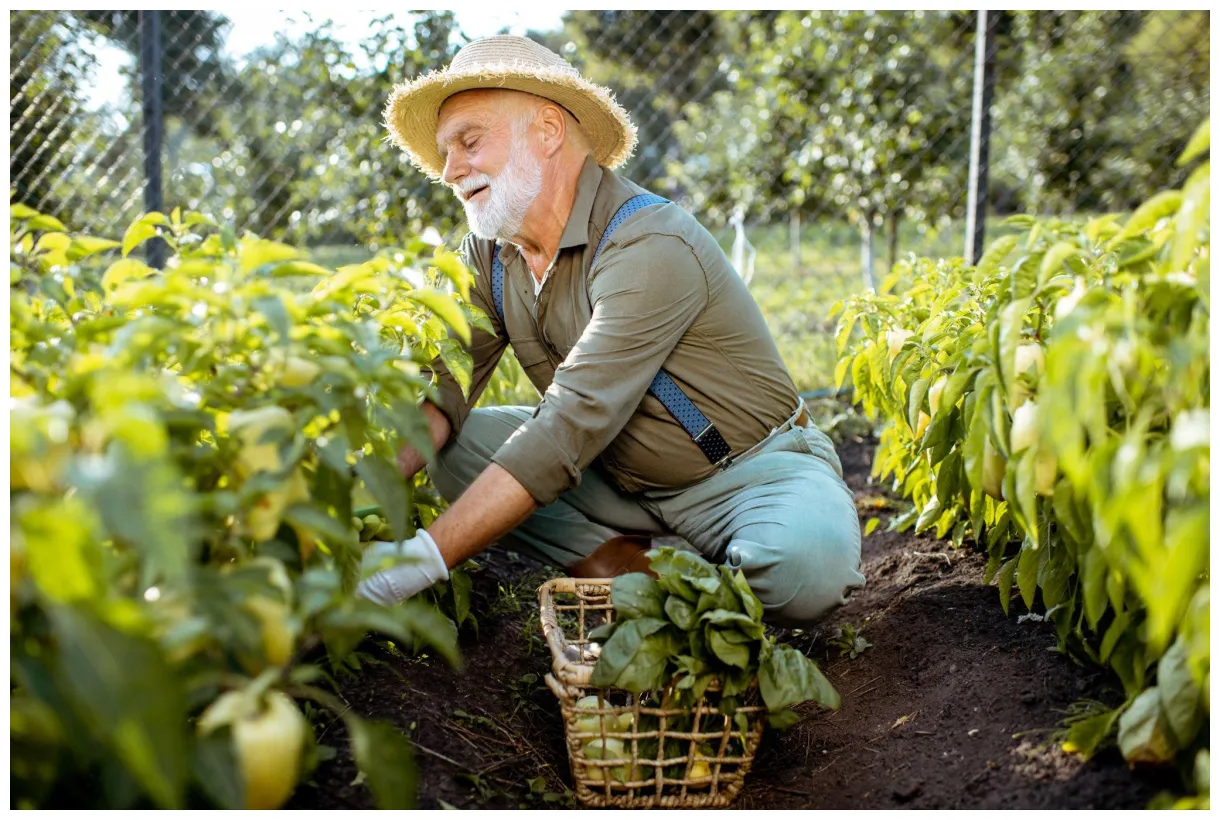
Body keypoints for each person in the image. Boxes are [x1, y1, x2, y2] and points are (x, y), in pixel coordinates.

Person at [358, 35, 864, 627]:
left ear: (547, 131)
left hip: (743, 474)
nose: (448, 172)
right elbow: (441, 387)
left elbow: (570, 422)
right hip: (615, 477)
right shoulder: (489, 256)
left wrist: (414, 565)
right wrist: (337, 510)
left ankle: (688, 567)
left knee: (806, 571)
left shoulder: (647, 242)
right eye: (446, 153)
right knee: (455, 450)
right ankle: (653, 569)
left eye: (469, 142)